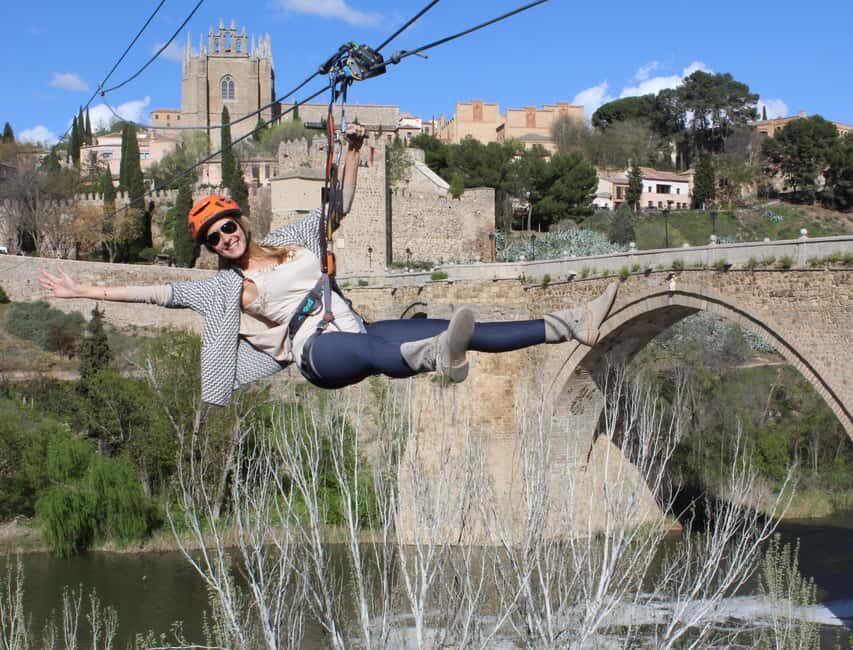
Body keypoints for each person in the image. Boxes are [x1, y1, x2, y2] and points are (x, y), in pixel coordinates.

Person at [40, 125, 618, 407]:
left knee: (472, 331)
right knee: (374, 350)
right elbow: (155, 293)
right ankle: (433, 358)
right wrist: (81, 290)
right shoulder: (221, 289)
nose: (225, 238)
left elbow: (340, 204)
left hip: (356, 327)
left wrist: (355, 153)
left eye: (228, 226)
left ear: (241, 222)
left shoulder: (292, 240)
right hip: (318, 354)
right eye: (214, 238)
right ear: (210, 248)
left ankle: (572, 324)